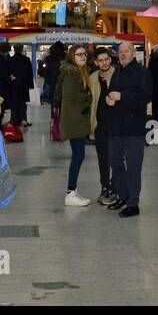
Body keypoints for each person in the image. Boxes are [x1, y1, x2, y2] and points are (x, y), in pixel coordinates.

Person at [105, 42, 152, 217]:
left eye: (127, 51)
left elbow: (145, 97)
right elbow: (111, 91)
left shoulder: (142, 73)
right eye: (121, 51)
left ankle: (133, 203)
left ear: (133, 53)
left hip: (134, 128)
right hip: (116, 126)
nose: (123, 54)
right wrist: (108, 99)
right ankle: (123, 195)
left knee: (133, 166)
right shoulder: (117, 71)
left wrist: (122, 96)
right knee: (115, 161)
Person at [57, 45, 94, 207]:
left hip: (76, 118)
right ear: (72, 56)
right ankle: (70, 192)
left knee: (78, 155)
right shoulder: (71, 74)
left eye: (84, 54)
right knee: (78, 156)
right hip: (74, 120)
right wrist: (88, 96)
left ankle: (73, 191)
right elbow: (72, 96)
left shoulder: (78, 72)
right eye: (79, 54)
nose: (83, 57)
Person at [90, 47, 119, 205]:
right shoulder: (93, 78)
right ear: (96, 62)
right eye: (100, 60)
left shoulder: (118, 75)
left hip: (116, 124)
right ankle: (105, 186)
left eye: (106, 59)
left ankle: (115, 187)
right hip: (100, 124)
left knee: (115, 157)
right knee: (103, 158)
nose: (104, 63)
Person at [10, 44, 33, 128]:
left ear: (14, 49)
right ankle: (23, 120)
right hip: (24, 85)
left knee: (14, 103)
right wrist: (31, 85)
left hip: (13, 85)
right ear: (22, 49)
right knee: (23, 103)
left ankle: (14, 120)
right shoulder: (26, 59)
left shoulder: (10, 60)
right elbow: (29, 73)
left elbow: (8, 73)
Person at [40, 41, 65, 105]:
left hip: (53, 84)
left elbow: (45, 71)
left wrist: (48, 81)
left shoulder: (48, 58)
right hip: (63, 85)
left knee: (53, 104)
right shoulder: (65, 58)